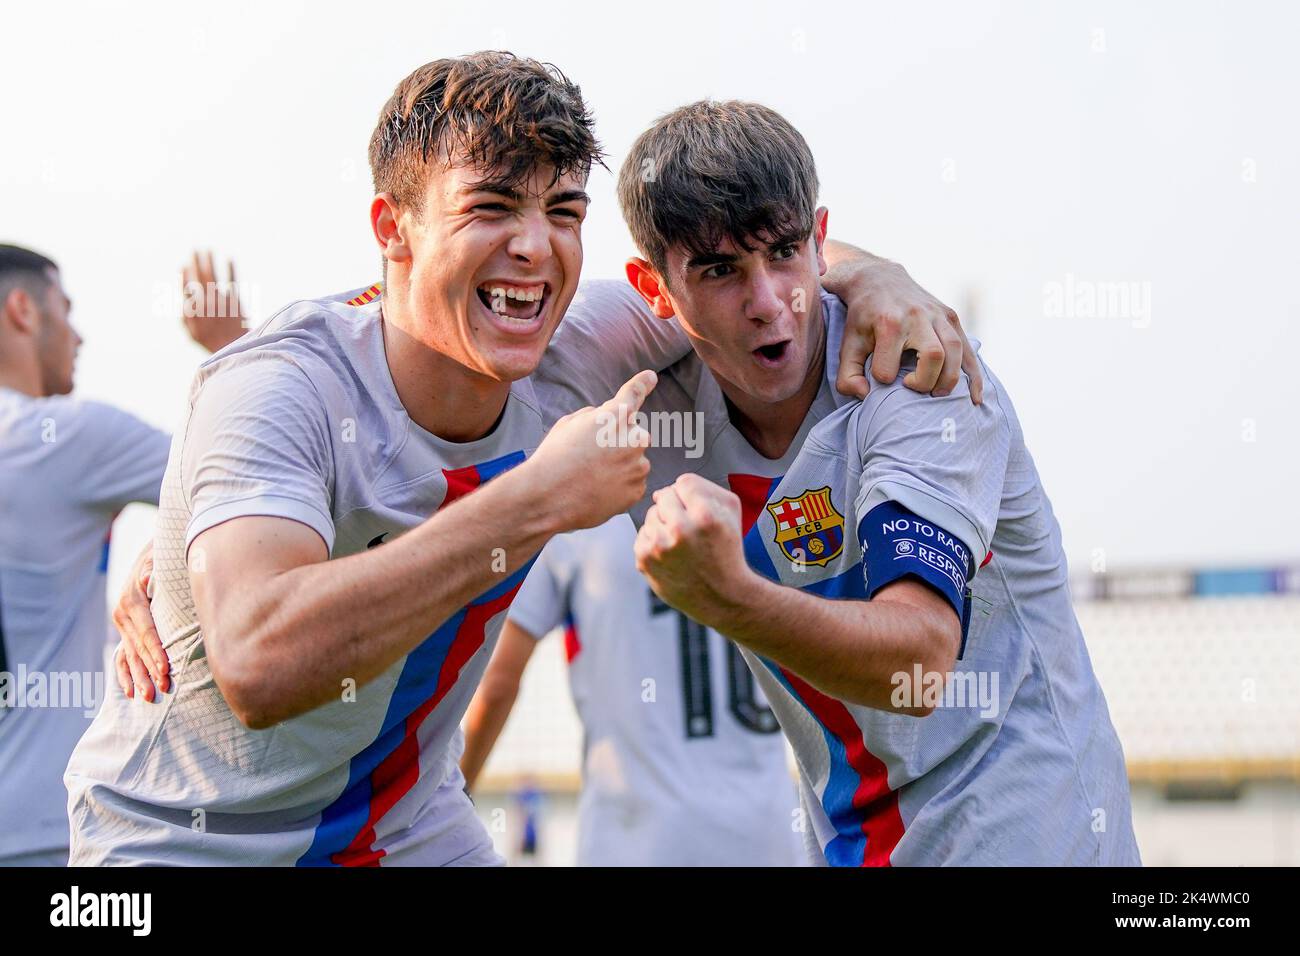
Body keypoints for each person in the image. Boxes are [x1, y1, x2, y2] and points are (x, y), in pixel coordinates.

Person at [70, 53, 973, 867]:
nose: (537, 246)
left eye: (563, 211)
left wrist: (878, 273)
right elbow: (259, 663)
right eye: (493, 208)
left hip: (404, 824)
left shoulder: (577, 340)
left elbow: (737, 262)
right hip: (182, 839)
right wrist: (535, 501)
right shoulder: (276, 386)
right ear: (394, 228)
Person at [617, 101, 1141, 865]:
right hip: (857, 838)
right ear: (654, 288)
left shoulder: (920, 378)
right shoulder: (641, 392)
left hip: (1028, 827)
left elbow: (921, 664)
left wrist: (726, 595)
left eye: (786, 252)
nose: (770, 302)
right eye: (721, 269)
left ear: (820, 242)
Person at [0, 245, 242, 865]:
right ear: (23, 310)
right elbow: (244, 473)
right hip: (44, 831)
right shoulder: (62, 436)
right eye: (66, 310)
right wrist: (231, 345)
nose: (78, 336)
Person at [461, 515, 803, 866]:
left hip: (637, 838)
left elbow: (498, 683)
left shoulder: (577, 517)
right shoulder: (746, 500)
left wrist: (456, 793)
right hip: (768, 832)